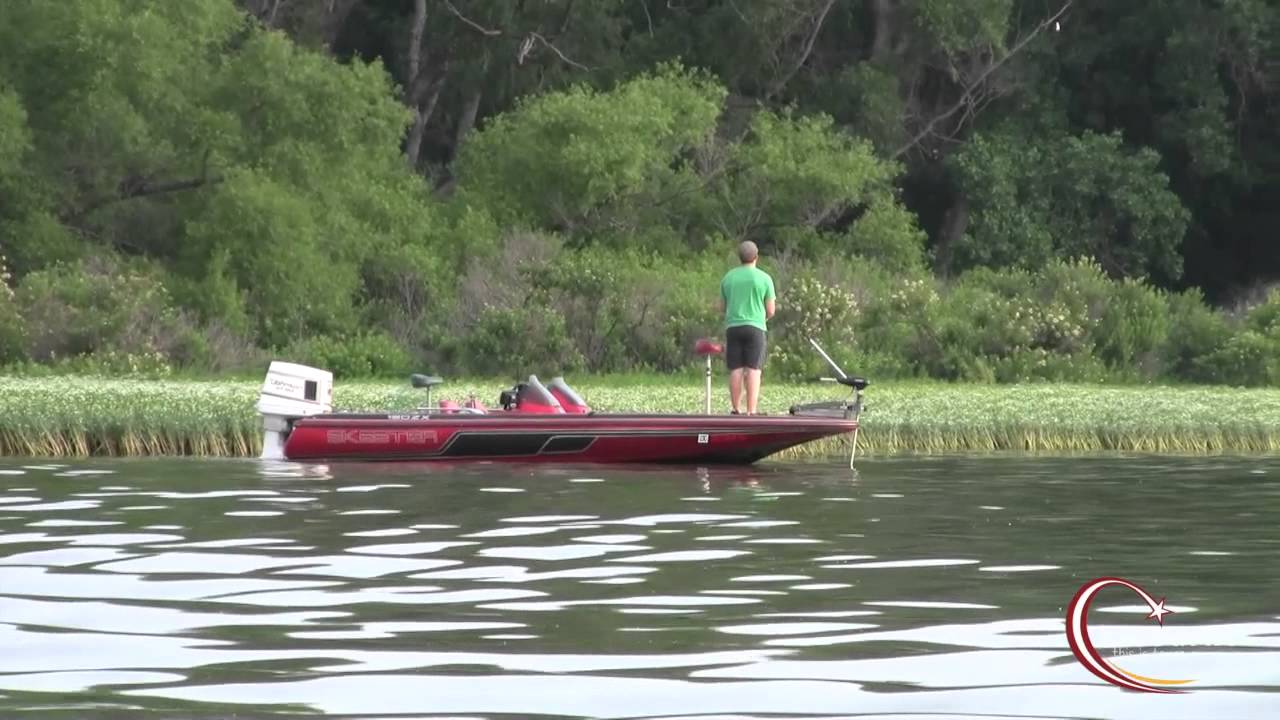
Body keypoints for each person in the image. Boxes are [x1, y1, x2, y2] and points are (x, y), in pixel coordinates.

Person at [719, 240, 775, 415]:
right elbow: (771, 310)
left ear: (739, 257)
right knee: (753, 369)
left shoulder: (728, 278)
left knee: (735, 368)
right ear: (756, 256)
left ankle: (736, 408)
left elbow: (722, 307)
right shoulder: (764, 278)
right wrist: (762, 318)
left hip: (733, 327)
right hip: (755, 327)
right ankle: (751, 410)